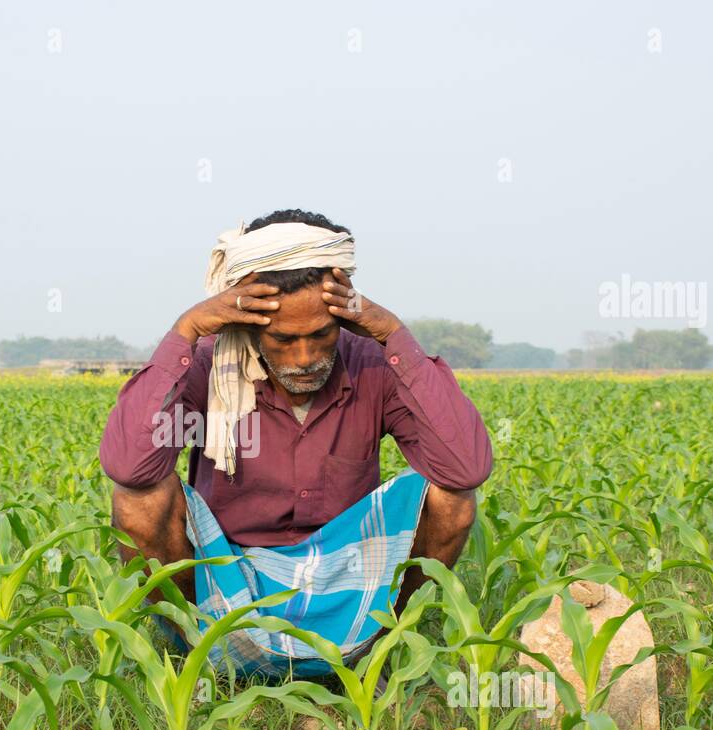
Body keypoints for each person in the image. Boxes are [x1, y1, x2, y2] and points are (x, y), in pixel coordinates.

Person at [98, 209, 493, 679]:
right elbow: (129, 468)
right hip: (230, 576)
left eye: (321, 335)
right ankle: (194, 653)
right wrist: (186, 331)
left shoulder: (372, 365)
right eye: (283, 339)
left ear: (344, 316)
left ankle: (384, 648)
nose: (304, 358)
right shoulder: (207, 366)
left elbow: (465, 469)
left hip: (347, 578)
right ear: (245, 319)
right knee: (141, 500)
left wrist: (393, 335)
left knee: (451, 497)